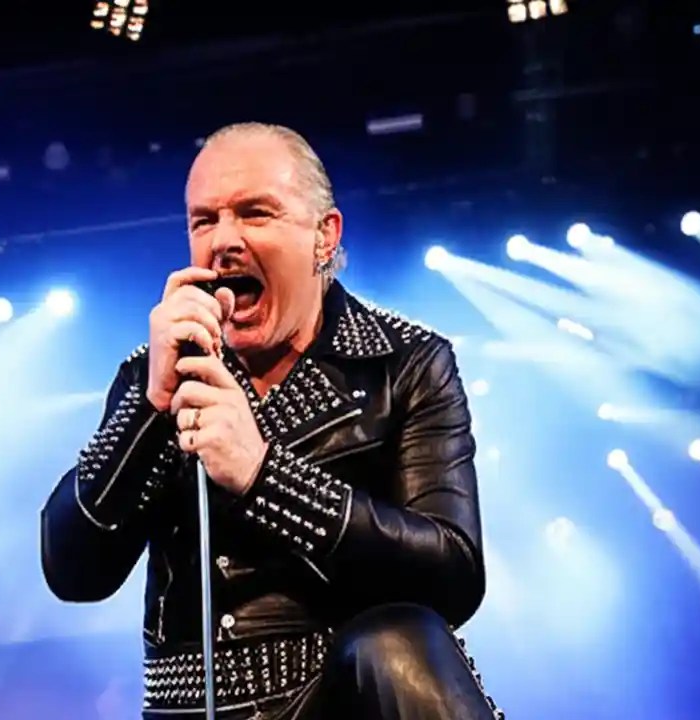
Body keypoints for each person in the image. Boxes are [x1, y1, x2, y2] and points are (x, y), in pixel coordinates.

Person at [40, 122, 503, 719]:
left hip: (348, 699)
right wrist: (149, 410)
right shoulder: (153, 376)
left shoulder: (407, 362)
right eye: (204, 221)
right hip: (197, 709)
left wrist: (264, 477)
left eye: (256, 214)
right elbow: (72, 573)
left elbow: (452, 575)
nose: (224, 240)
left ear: (323, 235)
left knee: (398, 642)